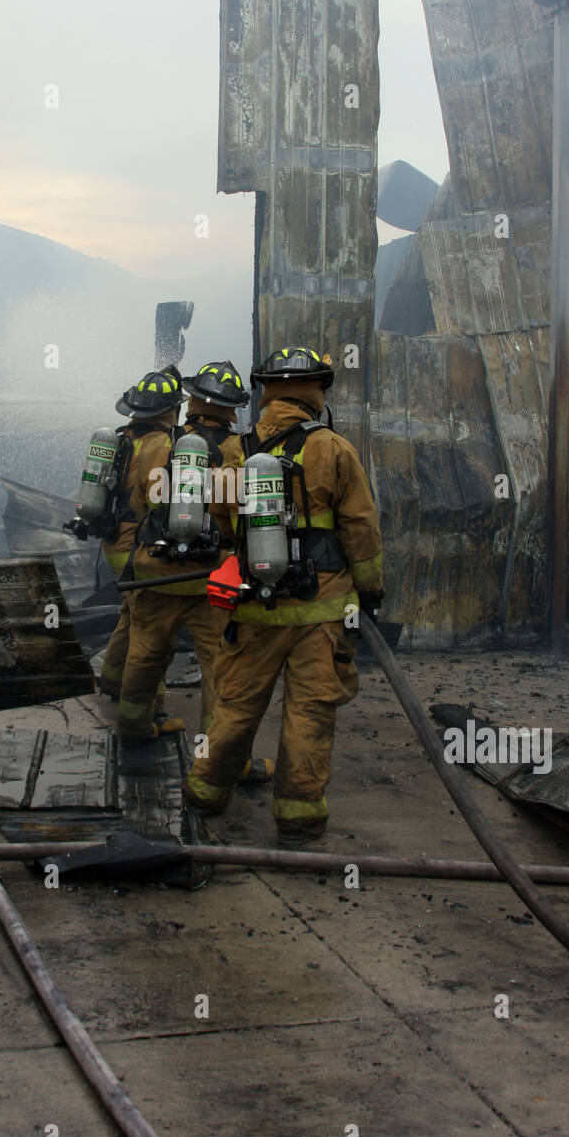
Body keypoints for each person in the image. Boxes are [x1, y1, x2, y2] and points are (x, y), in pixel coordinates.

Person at [181, 346, 384, 846]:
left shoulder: (239, 452)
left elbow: (223, 521)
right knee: (310, 710)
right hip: (321, 609)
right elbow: (360, 526)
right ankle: (298, 817)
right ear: (317, 392)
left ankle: (206, 793)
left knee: (235, 705)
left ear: (266, 392)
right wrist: (371, 590)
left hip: (255, 605)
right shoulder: (334, 449)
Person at [118, 361, 250, 744]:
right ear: (231, 408)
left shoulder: (162, 444)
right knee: (218, 667)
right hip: (208, 581)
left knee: (144, 656)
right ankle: (214, 756)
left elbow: (141, 507)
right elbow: (240, 520)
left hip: (154, 571)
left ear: (191, 402)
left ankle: (133, 730)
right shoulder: (236, 453)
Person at [97, 368, 183, 716]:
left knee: (131, 612)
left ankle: (114, 679)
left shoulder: (123, 438)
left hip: (114, 539)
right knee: (151, 624)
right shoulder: (159, 445)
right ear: (171, 410)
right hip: (136, 542)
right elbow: (159, 504)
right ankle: (149, 704)